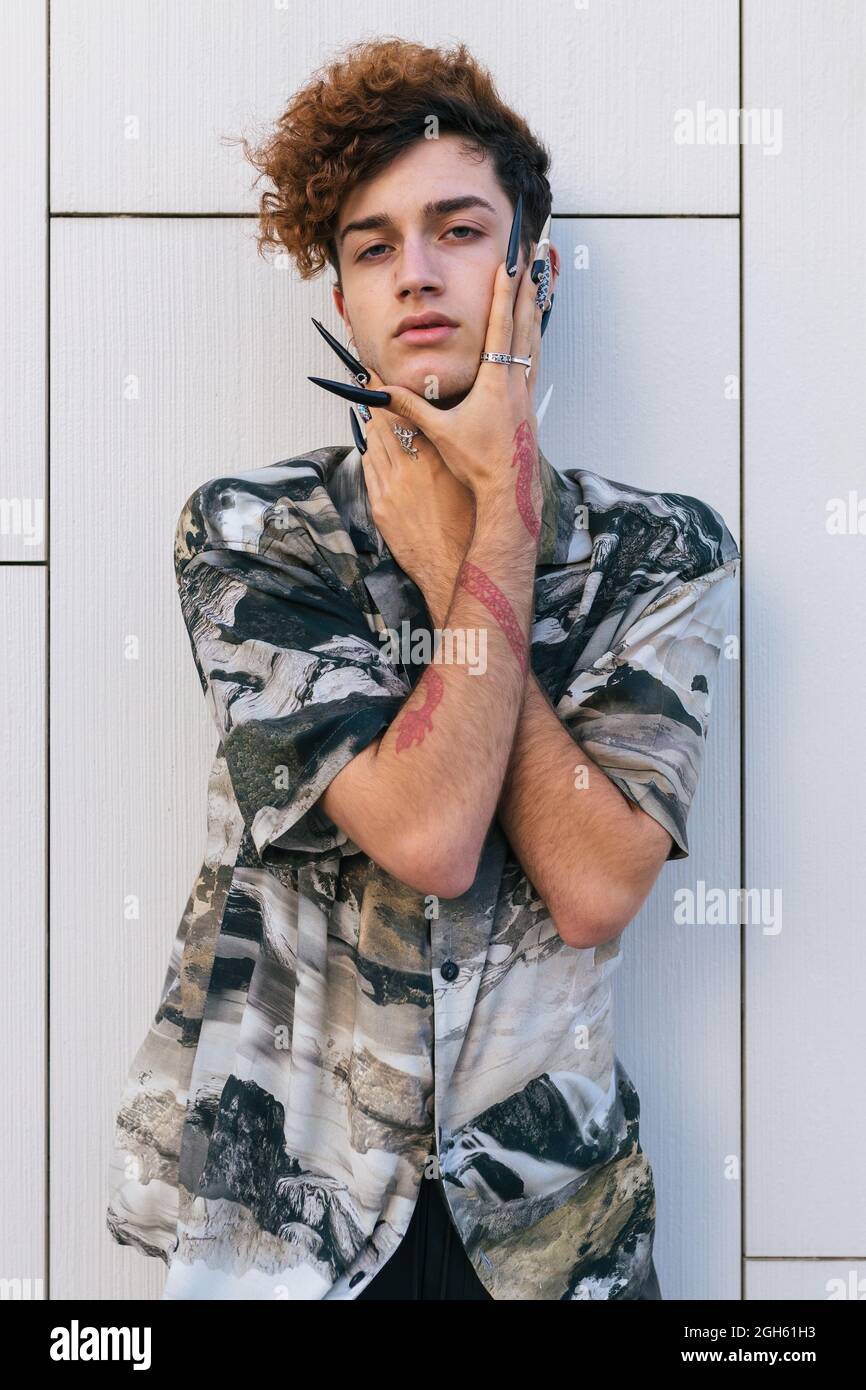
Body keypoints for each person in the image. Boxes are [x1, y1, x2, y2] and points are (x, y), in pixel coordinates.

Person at [106, 37, 739, 1301]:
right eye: (371, 246)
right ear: (341, 299)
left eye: (457, 229)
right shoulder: (252, 534)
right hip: (287, 1208)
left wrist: (483, 531)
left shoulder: (657, 552)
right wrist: (494, 544)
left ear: (530, 271)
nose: (415, 276)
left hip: (546, 1230)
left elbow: (595, 886)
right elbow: (429, 835)